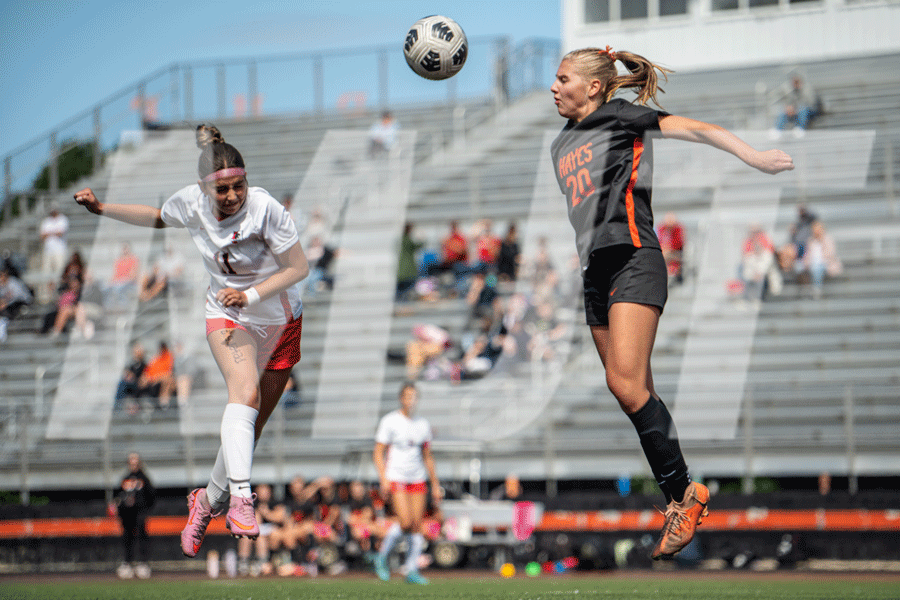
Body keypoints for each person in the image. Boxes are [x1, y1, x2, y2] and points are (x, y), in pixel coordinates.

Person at [549, 46, 794, 560]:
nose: (554, 86)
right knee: (630, 390)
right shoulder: (560, 144)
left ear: (593, 86)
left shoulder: (621, 116)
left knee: (624, 381)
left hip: (634, 259)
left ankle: (686, 494)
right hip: (595, 273)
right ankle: (680, 500)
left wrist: (752, 156)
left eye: (563, 77)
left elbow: (697, 128)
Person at [74, 123, 310, 558]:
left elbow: (298, 268)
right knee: (244, 395)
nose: (234, 196)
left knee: (248, 429)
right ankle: (241, 499)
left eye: (239, 186)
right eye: (224, 191)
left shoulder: (265, 209)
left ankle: (206, 503)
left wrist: (253, 293)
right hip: (227, 312)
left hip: (279, 320)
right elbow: (156, 218)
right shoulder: (190, 202)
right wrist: (103, 208)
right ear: (205, 190)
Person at [373, 383, 440, 585]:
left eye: (414, 397)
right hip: (397, 476)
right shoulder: (390, 421)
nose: (411, 400)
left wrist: (435, 484)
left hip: (417, 478)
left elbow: (427, 456)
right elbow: (378, 452)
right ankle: (381, 556)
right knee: (404, 522)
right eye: (407, 396)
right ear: (401, 398)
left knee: (416, 525)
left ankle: (411, 569)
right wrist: (384, 478)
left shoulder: (422, 424)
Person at [114, 452, 155, 579]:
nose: (133, 465)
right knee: (128, 538)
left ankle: (143, 563)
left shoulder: (144, 478)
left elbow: (151, 495)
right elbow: (118, 496)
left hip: (140, 514)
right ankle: (128, 563)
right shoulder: (125, 479)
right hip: (127, 515)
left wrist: (144, 508)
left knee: (142, 537)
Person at [802, 220, 842, 299]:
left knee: (816, 268)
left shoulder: (827, 239)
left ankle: (816, 290)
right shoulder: (810, 241)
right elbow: (806, 255)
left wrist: (819, 260)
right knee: (799, 267)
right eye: (814, 229)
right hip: (812, 264)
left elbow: (831, 254)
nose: (816, 231)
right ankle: (804, 290)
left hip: (826, 264)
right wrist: (806, 263)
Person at [38, 205, 69, 304]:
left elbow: (61, 233)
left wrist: (49, 233)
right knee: (46, 274)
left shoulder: (63, 219)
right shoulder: (46, 221)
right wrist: (54, 232)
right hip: (48, 251)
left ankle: (60, 295)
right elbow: (42, 236)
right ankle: (46, 297)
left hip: (60, 251)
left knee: (59, 273)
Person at [0, 268, 33, 343]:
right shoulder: (1, 285)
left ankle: (3, 335)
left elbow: (18, 296)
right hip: (9, 305)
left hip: (22, 302)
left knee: (5, 312)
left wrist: (5, 303)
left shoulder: (13, 282)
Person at [115, 342, 147, 413]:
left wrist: (133, 377)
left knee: (122, 383)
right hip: (130, 384)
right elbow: (127, 374)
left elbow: (144, 377)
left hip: (138, 385)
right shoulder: (131, 364)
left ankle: (118, 406)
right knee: (121, 383)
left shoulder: (144, 365)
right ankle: (117, 405)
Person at [108, 243, 140, 310]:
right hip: (118, 282)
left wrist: (122, 280)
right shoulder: (118, 260)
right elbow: (114, 275)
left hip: (129, 283)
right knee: (106, 288)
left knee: (120, 288)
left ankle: (122, 308)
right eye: (124, 249)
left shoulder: (134, 259)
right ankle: (110, 308)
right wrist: (112, 282)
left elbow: (133, 276)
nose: (125, 250)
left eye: (126, 248)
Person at [396, 222, 423, 302]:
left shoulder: (400, 240)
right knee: (407, 295)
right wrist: (421, 236)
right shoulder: (407, 240)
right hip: (408, 273)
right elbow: (419, 245)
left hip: (400, 274)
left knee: (399, 295)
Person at [656, 212, 686, 285]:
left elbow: (679, 244)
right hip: (663, 253)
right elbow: (659, 241)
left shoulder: (677, 230)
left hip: (675, 254)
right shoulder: (662, 229)